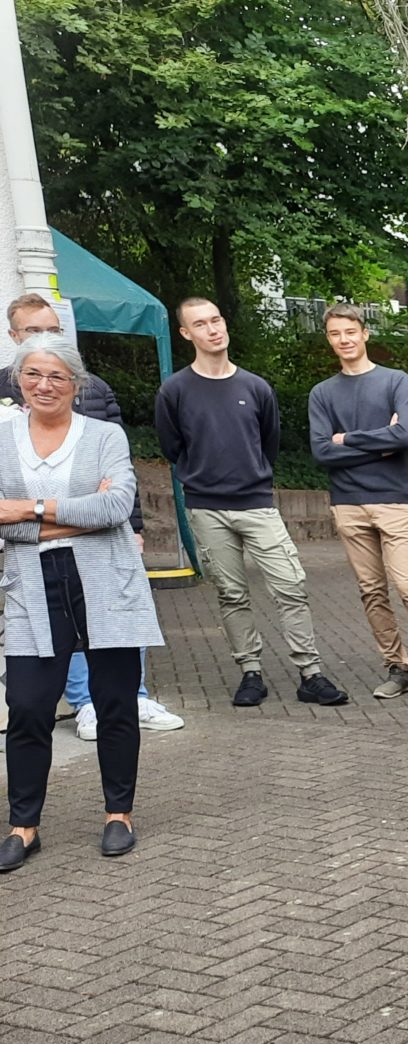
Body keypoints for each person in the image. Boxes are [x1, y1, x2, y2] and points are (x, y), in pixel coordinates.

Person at [0, 336, 163, 868]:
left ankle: (119, 814)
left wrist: (29, 509)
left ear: (76, 384)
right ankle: (24, 826)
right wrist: (75, 516)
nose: (44, 385)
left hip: (106, 582)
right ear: (18, 380)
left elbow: (116, 507)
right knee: (28, 705)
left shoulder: (105, 435)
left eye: (57, 376)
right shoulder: (2, 438)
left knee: (115, 701)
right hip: (32, 585)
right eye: (33, 374)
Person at [155, 297, 348, 709]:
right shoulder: (174, 391)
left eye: (216, 320)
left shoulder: (255, 387)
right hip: (206, 508)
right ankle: (250, 672)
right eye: (201, 324)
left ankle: (310, 674)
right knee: (231, 593)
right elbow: (172, 447)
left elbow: (268, 443)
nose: (213, 329)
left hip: (257, 504)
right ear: (186, 333)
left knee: (291, 584)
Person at [2, 295, 182, 738]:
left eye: (53, 329)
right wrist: (91, 516)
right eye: (34, 331)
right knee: (52, 638)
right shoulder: (6, 393)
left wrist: (128, 524)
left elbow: (119, 485)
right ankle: (84, 703)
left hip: (102, 544)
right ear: (14, 336)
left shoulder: (95, 389)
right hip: (30, 561)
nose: (46, 338)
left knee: (115, 622)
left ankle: (133, 697)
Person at [308, 303, 408, 708]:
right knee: (372, 592)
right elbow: (321, 452)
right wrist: (380, 442)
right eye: (335, 333)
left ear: (364, 333)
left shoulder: (395, 381)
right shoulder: (322, 393)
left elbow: (404, 436)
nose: (344, 339)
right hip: (348, 505)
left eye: (350, 331)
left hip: (395, 501)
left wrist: (346, 439)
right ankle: (397, 670)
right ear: (329, 339)